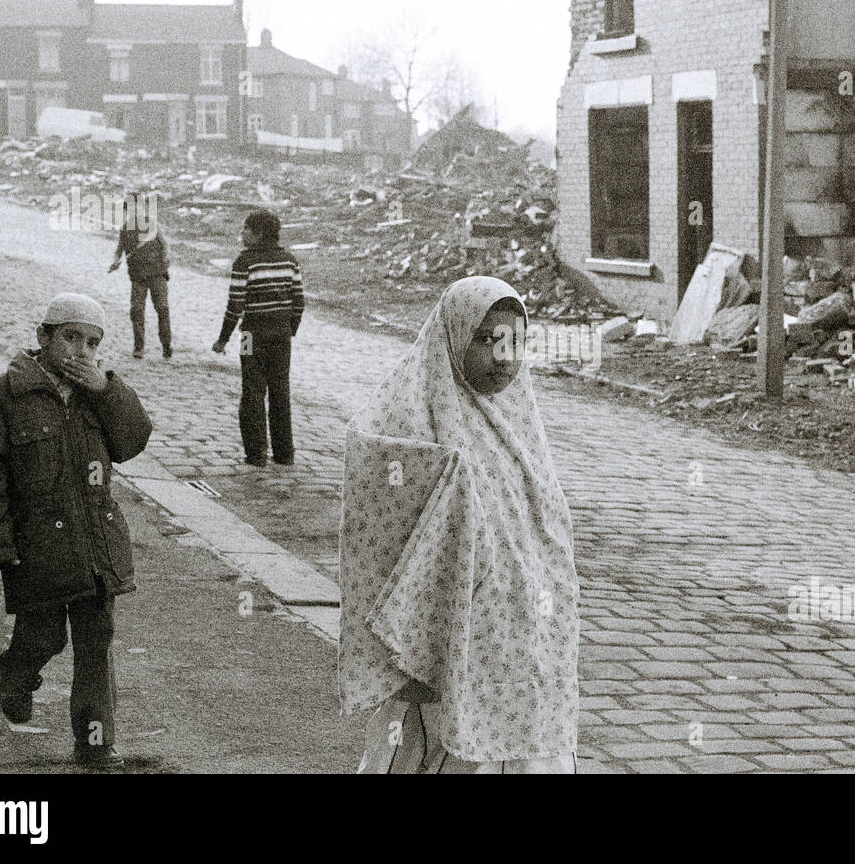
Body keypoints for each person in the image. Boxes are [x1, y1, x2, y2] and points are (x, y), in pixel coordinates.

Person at [338, 275, 579, 773]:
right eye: (486, 340)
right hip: (445, 645)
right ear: (453, 335)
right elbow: (379, 527)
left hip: (519, 641)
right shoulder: (406, 421)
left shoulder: (518, 420)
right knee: (438, 749)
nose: (503, 358)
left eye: (514, 342)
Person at [0, 293, 153, 769]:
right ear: (42, 337)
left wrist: (109, 388)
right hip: (36, 549)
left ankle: (95, 745)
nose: (81, 351)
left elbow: (133, 441)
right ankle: (18, 672)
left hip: (95, 545)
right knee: (44, 636)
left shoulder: (98, 396)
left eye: (92, 342)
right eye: (70, 337)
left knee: (96, 642)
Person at [211, 209, 304, 468]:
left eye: (245, 229)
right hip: (281, 335)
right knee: (280, 392)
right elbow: (299, 302)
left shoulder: (245, 262)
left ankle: (256, 454)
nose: (242, 234)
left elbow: (235, 305)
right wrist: (289, 329)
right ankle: (285, 454)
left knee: (252, 391)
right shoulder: (290, 260)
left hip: (250, 334)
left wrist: (222, 339)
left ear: (258, 234)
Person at [108, 191, 172, 360]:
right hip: (137, 276)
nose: (133, 210)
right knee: (137, 311)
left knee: (162, 309)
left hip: (157, 274)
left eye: (136, 206)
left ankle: (166, 346)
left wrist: (166, 258)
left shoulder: (153, 224)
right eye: (129, 207)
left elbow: (165, 246)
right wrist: (115, 262)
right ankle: (139, 348)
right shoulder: (124, 229)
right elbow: (118, 251)